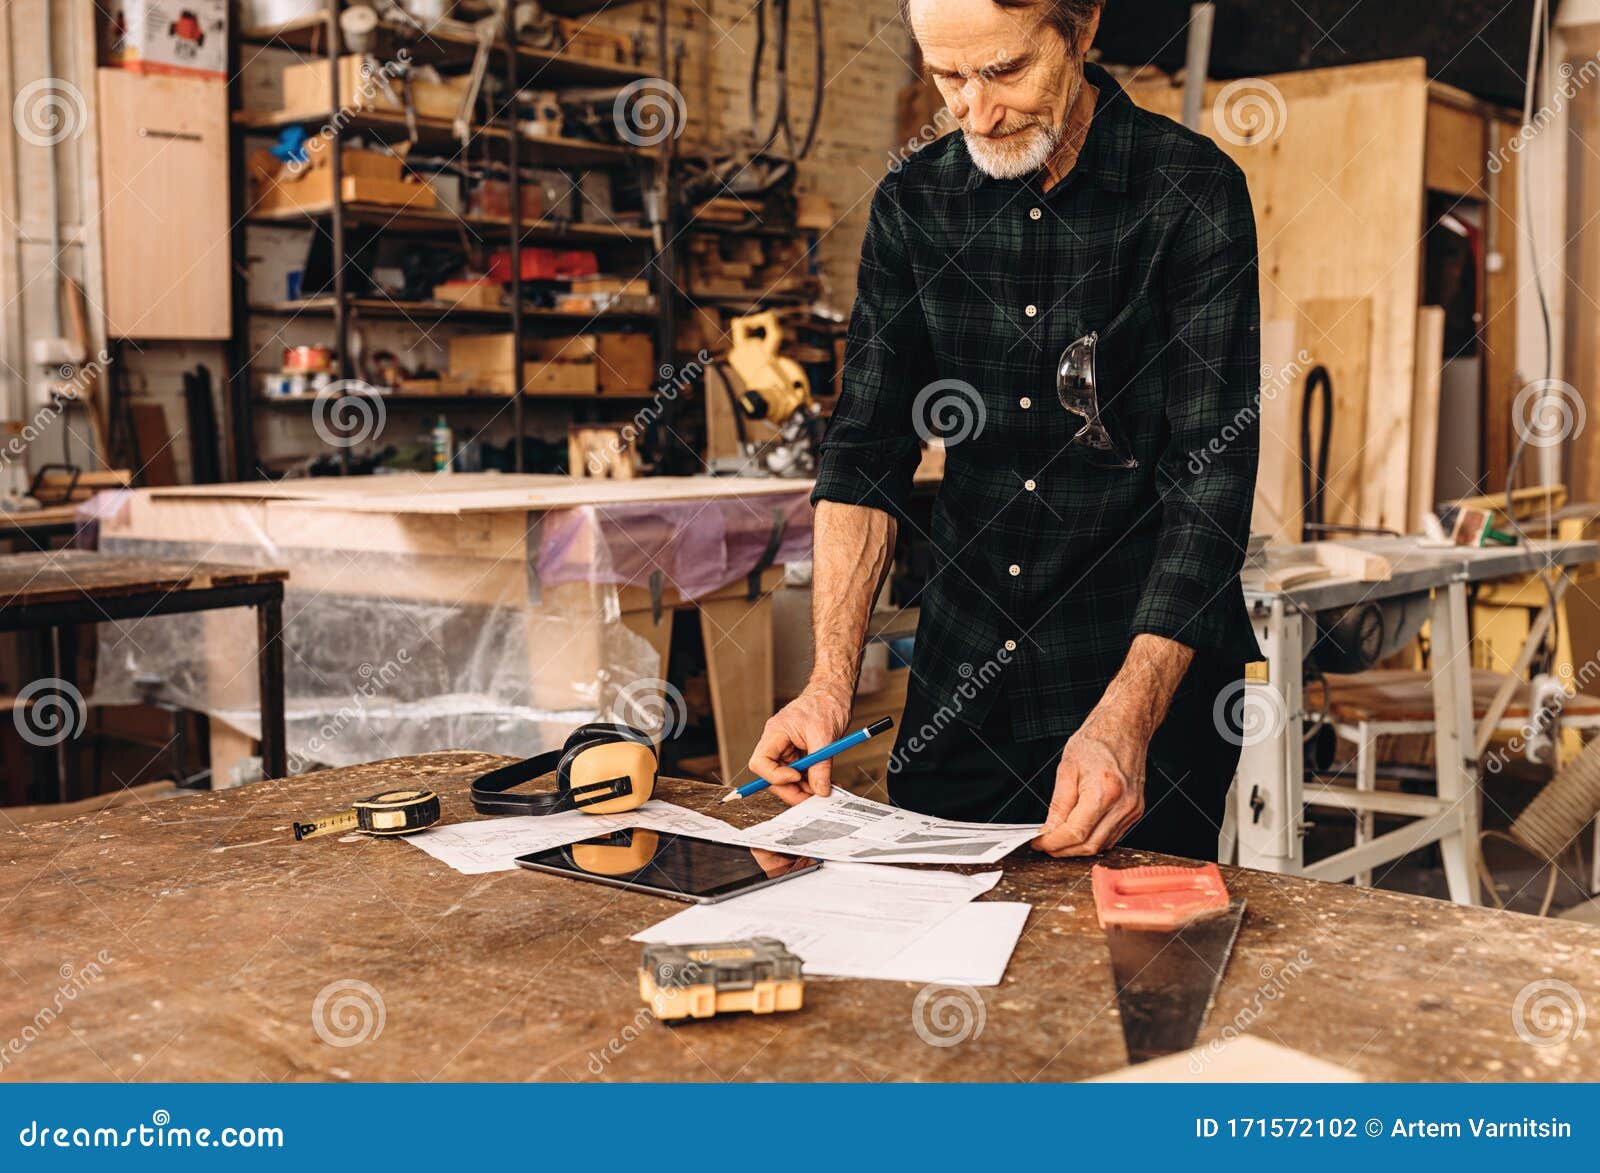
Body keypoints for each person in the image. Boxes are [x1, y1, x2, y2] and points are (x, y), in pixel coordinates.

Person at [747, 0, 1262, 861]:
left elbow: (1209, 481)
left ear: (1083, 27)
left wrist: (1127, 717)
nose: (976, 114)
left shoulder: (1190, 194)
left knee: (1129, 971)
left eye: (1005, 72)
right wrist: (828, 684)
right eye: (948, 78)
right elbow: (865, 452)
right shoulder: (915, 205)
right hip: (962, 684)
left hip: (1139, 679)